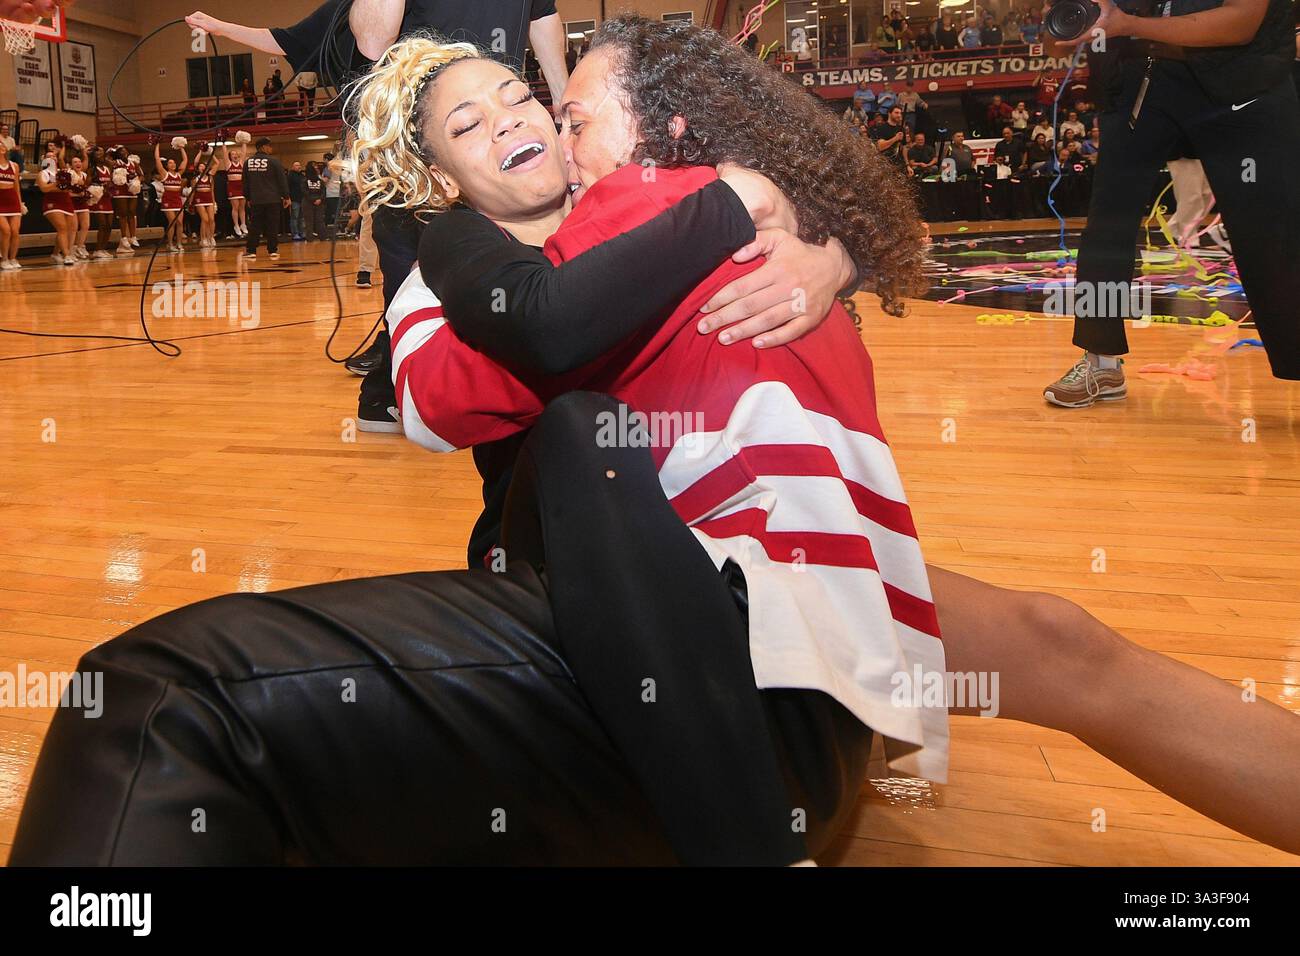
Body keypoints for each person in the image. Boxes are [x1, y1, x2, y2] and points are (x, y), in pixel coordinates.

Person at [383, 20, 1300, 857]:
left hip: (752, 534)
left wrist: (828, 260)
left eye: (528, 99)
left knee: (1061, 639)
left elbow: (847, 219)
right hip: (583, 585)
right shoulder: (457, 262)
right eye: (467, 126)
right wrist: (706, 228)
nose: (520, 123)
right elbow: (450, 396)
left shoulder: (692, 201)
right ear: (440, 176)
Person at [1044, 0, 1300, 406]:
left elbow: (1240, 23)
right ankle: (1101, 363)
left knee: (1271, 231)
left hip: (1242, 82)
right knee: (1108, 223)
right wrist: (1071, 25)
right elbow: (1061, 37)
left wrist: (1128, 24)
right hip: (1144, 82)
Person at [239, 137, 289, 261]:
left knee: (255, 225)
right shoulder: (274, 161)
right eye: (269, 146)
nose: (271, 148)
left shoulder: (248, 162)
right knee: (273, 225)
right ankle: (273, 250)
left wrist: (248, 197)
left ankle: (251, 251)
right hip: (273, 199)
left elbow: (245, 182)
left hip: (256, 199)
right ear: (263, 147)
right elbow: (282, 180)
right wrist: (286, 196)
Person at [37, 138, 76, 265]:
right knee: (62, 228)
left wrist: (63, 145)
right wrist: (56, 184)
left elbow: (62, 159)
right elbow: (44, 188)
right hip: (52, 202)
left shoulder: (61, 171)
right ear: (44, 160)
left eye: (53, 156)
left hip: (66, 201)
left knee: (68, 229)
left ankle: (55, 254)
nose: (52, 158)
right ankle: (67, 255)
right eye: (49, 157)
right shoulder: (43, 173)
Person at [154, 139, 189, 254]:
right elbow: (157, 159)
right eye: (170, 163)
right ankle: (170, 244)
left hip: (177, 200)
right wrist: (157, 144)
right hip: (168, 200)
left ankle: (179, 243)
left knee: (180, 223)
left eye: (174, 162)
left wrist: (181, 147)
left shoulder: (179, 174)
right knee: (172, 222)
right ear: (167, 165)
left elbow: (185, 160)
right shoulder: (164, 174)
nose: (172, 164)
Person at [217, 138, 249, 237]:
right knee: (235, 207)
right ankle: (236, 225)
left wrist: (244, 142)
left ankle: (243, 224)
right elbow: (224, 153)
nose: (235, 155)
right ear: (230, 157)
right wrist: (223, 143)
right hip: (232, 187)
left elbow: (244, 152)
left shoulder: (241, 164)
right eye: (233, 154)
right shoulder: (228, 164)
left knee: (242, 207)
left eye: (236, 154)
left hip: (241, 186)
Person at [0, 148, 23, 270]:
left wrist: (20, 203)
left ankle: (13, 258)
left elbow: (17, 187)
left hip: (12, 200)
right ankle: (4, 259)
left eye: (2, 146)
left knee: (15, 231)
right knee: (6, 231)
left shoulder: (14, 166)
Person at [303, 160, 326, 239]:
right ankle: (309, 238)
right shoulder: (304, 180)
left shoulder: (320, 180)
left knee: (319, 220)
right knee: (309, 221)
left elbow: (323, 190)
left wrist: (320, 199)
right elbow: (304, 192)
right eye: (314, 166)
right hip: (308, 203)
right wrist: (313, 200)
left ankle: (322, 237)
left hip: (319, 202)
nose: (316, 167)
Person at [287, 159, 306, 239]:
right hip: (294, 199)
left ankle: (302, 232)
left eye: (299, 165)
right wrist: (288, 198)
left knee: (301, 218)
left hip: (302, 199)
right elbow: (287, 187)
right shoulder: (290, 176)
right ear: (293, 167)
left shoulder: (302, 176)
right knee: (295, 217)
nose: (299, 166)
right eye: (297, 165)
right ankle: (295, 233)